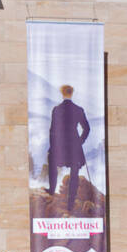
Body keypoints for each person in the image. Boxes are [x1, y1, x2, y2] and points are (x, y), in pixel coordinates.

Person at [47, 84, 90, 214]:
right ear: (72, 93)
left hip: (60, 145)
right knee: (74, 172)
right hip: (74, 145)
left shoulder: (57, 109)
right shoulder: (78, 109)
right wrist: (80, 141)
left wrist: (53, 147)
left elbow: (52, 130)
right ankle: (71, 202)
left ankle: (51, 190)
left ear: (62, 93)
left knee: (52, 162)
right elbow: (87, 129)